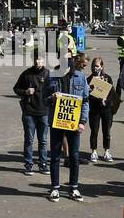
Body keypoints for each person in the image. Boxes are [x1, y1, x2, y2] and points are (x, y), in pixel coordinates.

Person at [46, 54, 91, 201]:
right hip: (56, 122)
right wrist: (52, 97)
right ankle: (54, 188)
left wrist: (83, 122)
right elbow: (43, 99)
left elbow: (85, 100)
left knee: (74, 156)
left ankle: (74, 188)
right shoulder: (52, 76)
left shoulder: (80, 77)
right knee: (55, 155)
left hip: (73, 122)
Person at [15, 54, 51, 175]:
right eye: (35, 59)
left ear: (43, 60)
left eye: (40, 59)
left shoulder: (48, 74)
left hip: (44, 111)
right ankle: (28, 164)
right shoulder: (26, 74)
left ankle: (43, 164)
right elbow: (16, 88)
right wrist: (25, 91)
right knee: (29, 140)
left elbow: (54, 90)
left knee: (43, 140)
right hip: (29, 112)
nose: (37, 62)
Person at [86, 57, 115, 163]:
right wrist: (99, 100)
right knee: (94, 131)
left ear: (102, 66)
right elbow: (88, 94)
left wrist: (106, 101)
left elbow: (112, 92)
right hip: (94, 109)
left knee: (106, 131)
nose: (95, 68)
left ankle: (106, 151)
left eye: (97, 66)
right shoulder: (89, 79)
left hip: (106, 109)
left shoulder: (107, 78)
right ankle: (93, 151)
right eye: (93, 66)